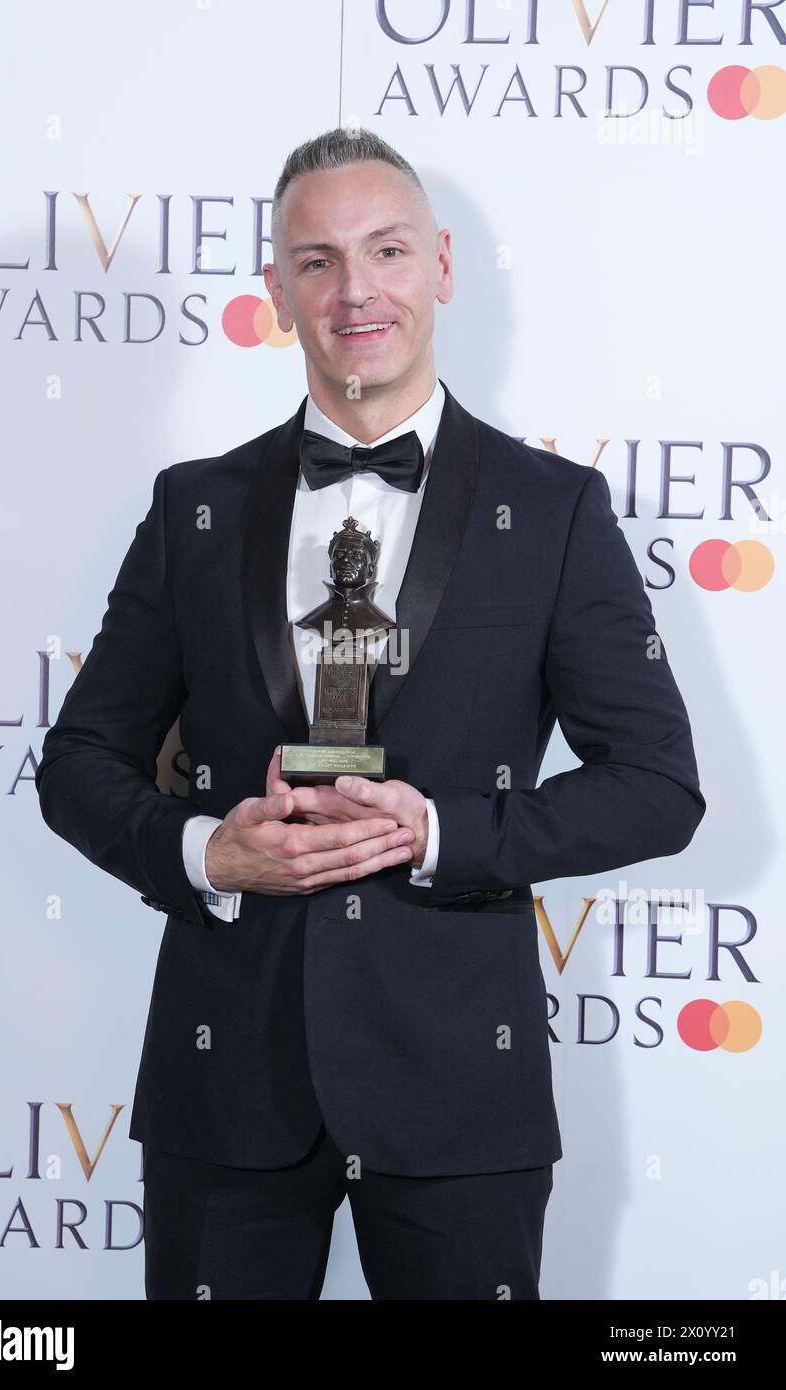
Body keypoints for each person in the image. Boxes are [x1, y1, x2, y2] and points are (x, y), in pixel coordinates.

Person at [35, 126, 705, 1300]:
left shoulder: (551, 510)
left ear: (441, 264)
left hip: (458, 1092)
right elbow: (78, 760)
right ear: (277, 292)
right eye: (317, 259)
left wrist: (439, 833)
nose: (355, 290)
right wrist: (207, 851)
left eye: (385, 250)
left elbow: (655, 783)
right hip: (224, 1081)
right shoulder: (194, 507)